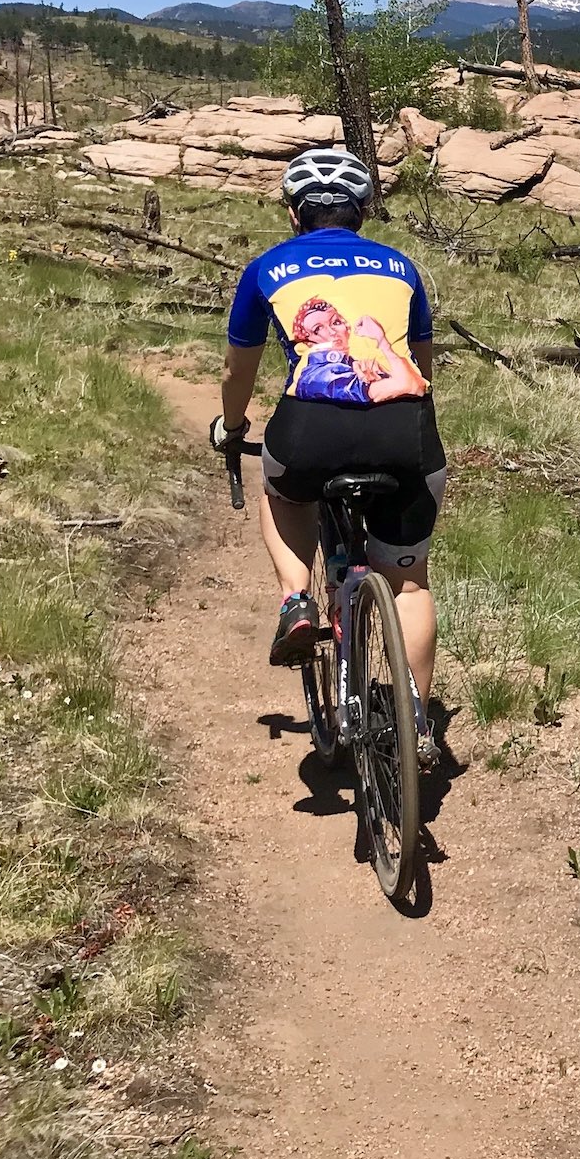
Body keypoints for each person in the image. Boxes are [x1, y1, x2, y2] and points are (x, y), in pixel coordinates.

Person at [210, 147, 445, 761]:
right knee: (409, 582)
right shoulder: (402, 266)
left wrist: (233, 428)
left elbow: (240, 371)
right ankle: (417, 720)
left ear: (294, 213)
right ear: (363, 212)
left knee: (281, 486)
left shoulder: (266, 267)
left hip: (310, 427)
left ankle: (295, 597)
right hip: (404, 428)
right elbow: (421, 362)